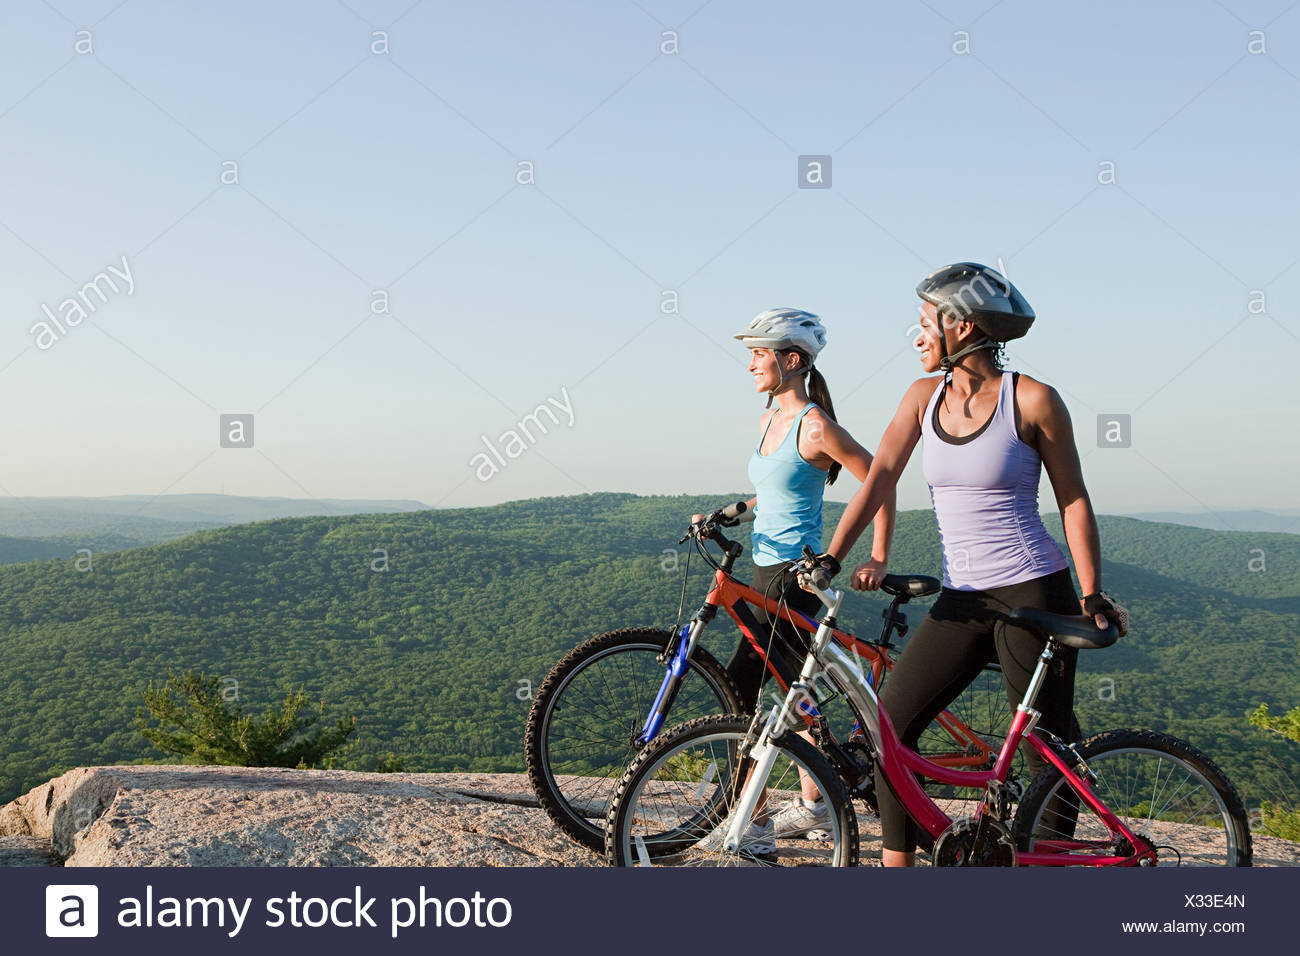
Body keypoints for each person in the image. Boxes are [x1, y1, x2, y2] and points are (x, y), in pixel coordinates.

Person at [817, 263, 1128, 867]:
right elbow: (880, 478)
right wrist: (834, 555)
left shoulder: (1032, 399)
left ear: (961, 325)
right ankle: (899, 868)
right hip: (963, 598)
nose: (917, 336)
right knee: (891, 725)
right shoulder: (919, 396)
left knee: (1046, 745)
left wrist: (1090, 593)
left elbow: (1073, 499)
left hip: (1033, 591)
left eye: (925, 322)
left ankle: (1050, 870)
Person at [692, 308, 896, 851]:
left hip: (794, 576)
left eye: (759, 354)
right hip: (763, 569)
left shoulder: (815, 425)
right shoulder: (769, 419)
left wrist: (874, 556)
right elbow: (777, 490)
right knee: (790, 692)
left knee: (740, 692)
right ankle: (813, 803)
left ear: (792, 360)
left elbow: (881, 481)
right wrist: (729, 513)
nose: (752, 365)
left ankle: (754, 825)